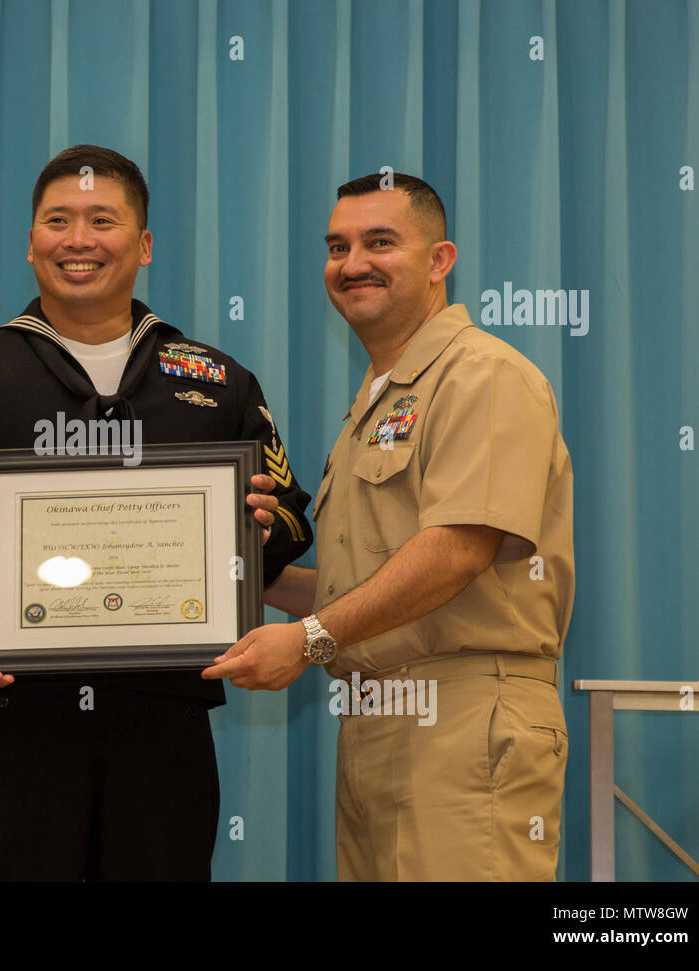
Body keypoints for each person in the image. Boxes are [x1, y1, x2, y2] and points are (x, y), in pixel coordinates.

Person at [0, 145, 313, 881]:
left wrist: (260, 526)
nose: (78, 239)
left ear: (142, 245)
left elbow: (293, 519)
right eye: (58, 220)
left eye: (102, 220)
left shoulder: (213, 379)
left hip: (164, 725)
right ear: (30, 242)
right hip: (14, 723)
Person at [203, 173, 574, 881]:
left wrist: (308, 640)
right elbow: (362, 588)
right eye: (337, 246)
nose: (353, 263)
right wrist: (239, 571)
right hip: (376, 721)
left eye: (380, 242)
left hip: (465, 719)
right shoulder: (377, 402)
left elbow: (459, 549)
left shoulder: (482, 375)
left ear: (440, 261)